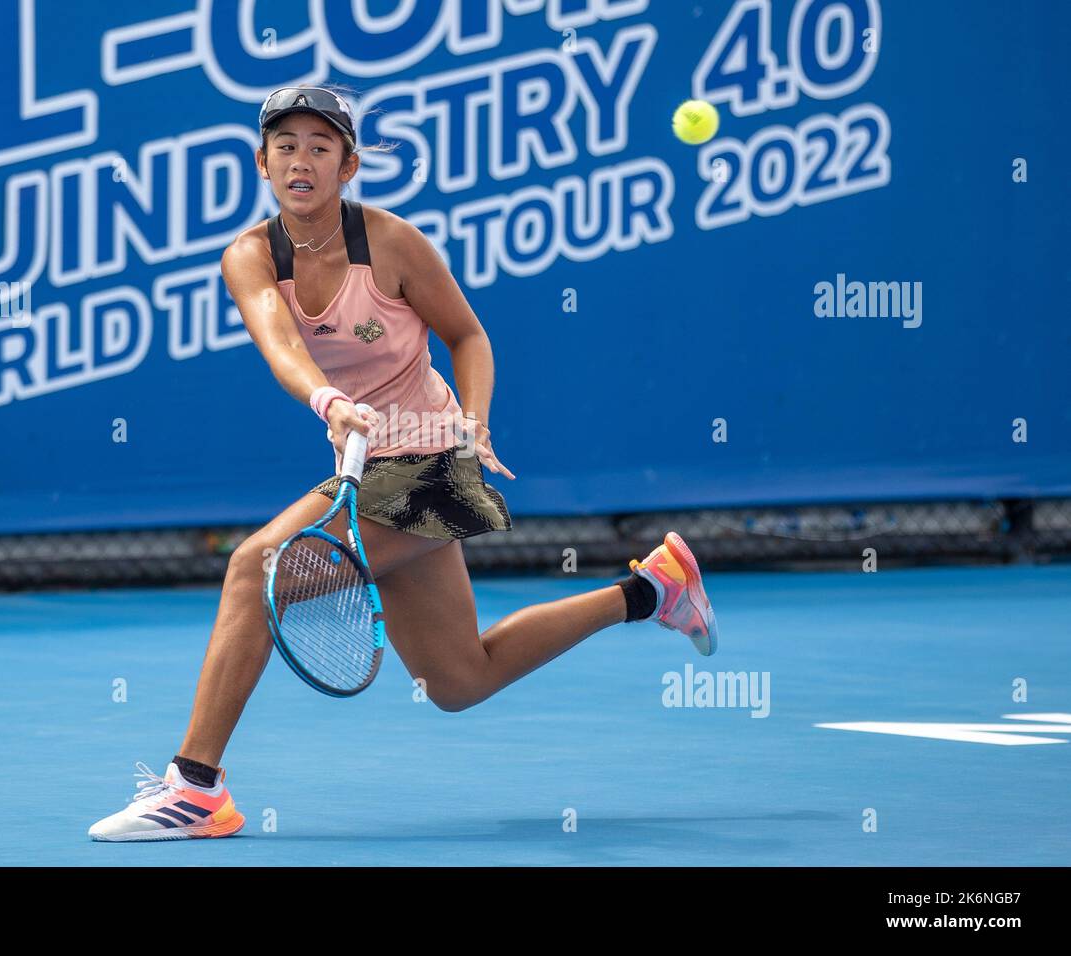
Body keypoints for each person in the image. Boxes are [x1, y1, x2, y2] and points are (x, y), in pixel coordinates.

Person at [88, 87, 718, 842]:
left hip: (432, 457)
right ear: (262, 162)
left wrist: (476, 424)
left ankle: (195, 788)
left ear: (348, 165)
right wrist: (328, 402)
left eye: (320, 147)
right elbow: (280, 344)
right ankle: (650, 591)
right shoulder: (249, 258)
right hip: (362, 455)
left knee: (257, 569)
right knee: (460, 679)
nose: (300, 160)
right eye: (284, 145)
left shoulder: (393, 244)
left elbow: (470, 336)